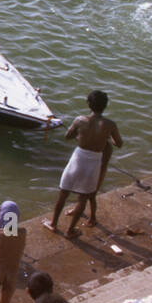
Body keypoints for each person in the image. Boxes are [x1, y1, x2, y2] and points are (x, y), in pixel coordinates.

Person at [45, 90, 123, 239]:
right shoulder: (110, 125)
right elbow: (118, 143)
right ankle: (70, 230)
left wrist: (79, 135)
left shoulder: (80, 120)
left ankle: (53, 223)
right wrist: (106, 139)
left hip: (78, 158)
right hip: (94, 161)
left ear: (89, 104)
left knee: (63, 193)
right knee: (83, 197)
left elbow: (68, 136)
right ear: (105, 106)